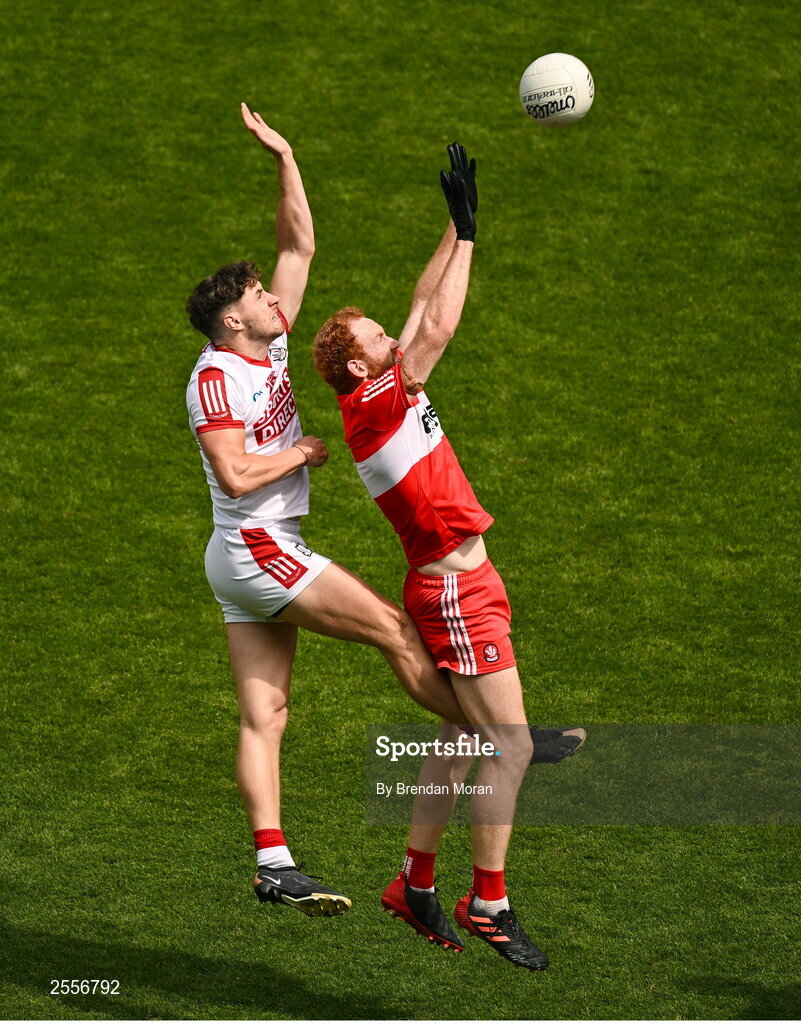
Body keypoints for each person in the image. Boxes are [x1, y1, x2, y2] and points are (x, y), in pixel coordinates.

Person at [185, 104, 475, 920]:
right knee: (390, 625)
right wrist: (302, 454)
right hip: (257, 545)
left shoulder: (266, 344)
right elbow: (237, 474)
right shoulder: (215, 378)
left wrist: (286, 154)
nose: (276, 298)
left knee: (266, 713)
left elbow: (298, 242)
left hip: (242, 557)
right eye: (256, 296)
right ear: (231, 318)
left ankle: (272, 864)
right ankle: (492, 726)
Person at [313, 144, 584, 971]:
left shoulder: (378, 391)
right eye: (378, 339)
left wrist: (454, 226)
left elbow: (419, 305)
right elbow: (438, 324)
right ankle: (489, 902)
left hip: (465, 582)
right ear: (359, 365)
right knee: (510, 747)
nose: (394, 338)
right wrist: (469, 239)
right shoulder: (375, 405)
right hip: (458, 595)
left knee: (464, 736)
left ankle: (415, 881)